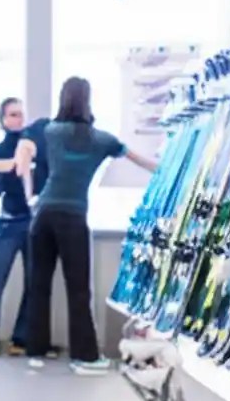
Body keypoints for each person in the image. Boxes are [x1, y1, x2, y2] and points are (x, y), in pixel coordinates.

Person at [19, 77, 157, 374]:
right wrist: (168, 169)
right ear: (87, 101)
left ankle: (35, 351)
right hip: (72, 218)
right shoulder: (101, 140)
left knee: (39, 286)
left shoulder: (50, 131)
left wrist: (29, 191)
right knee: (79, 290)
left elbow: (24, 152)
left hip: (44, 215)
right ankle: (85, 356)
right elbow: (140, 160)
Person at [0, 98, 45, 357]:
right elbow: (5, 172)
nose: (19, 119)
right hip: (8, 222)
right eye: (13, 114)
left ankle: (21, 338)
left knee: (33, 283)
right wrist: (18, 161)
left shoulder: (37, 146)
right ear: (3, 120)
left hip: (34, 222)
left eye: (21, 114)